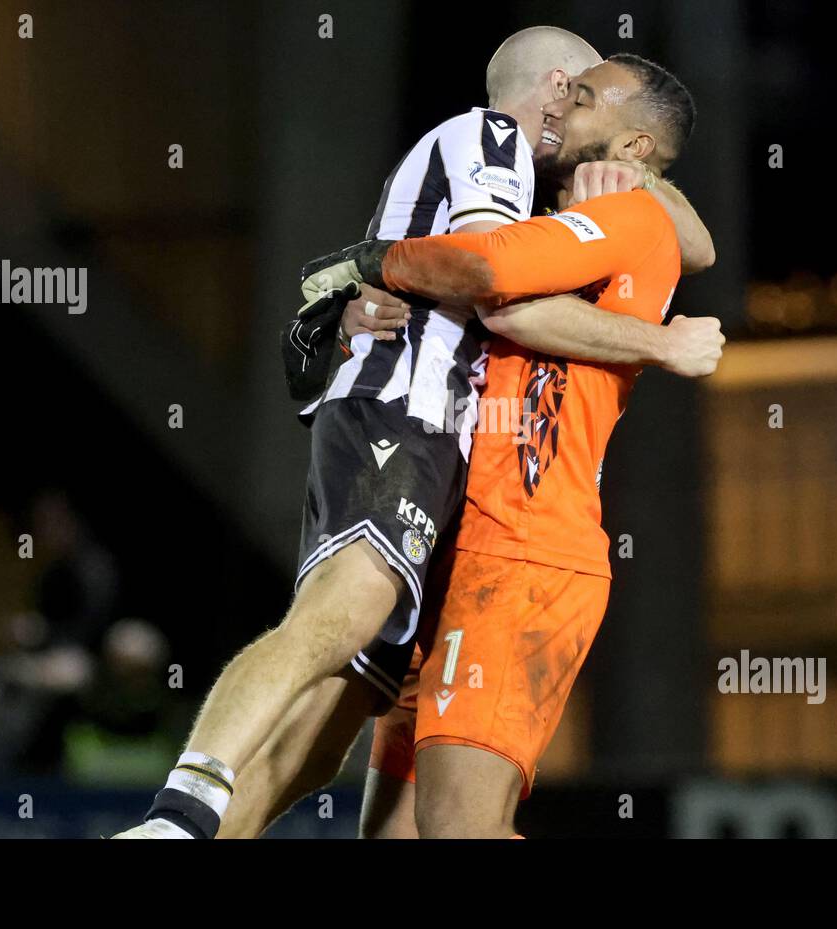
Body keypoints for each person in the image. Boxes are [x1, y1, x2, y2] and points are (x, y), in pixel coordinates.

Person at [115, 30, 717, 840]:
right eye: (569, 89)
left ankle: (180, 814)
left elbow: (494, 279)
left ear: (635, 144)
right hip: (458, 532)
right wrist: (353, 285)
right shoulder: (531, 182)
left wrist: (368, 262)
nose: (570, 102)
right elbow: (501, 272)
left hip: (523, 548)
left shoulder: (616, 210)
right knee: (345, 765)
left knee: (453, 821)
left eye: (587, 96)